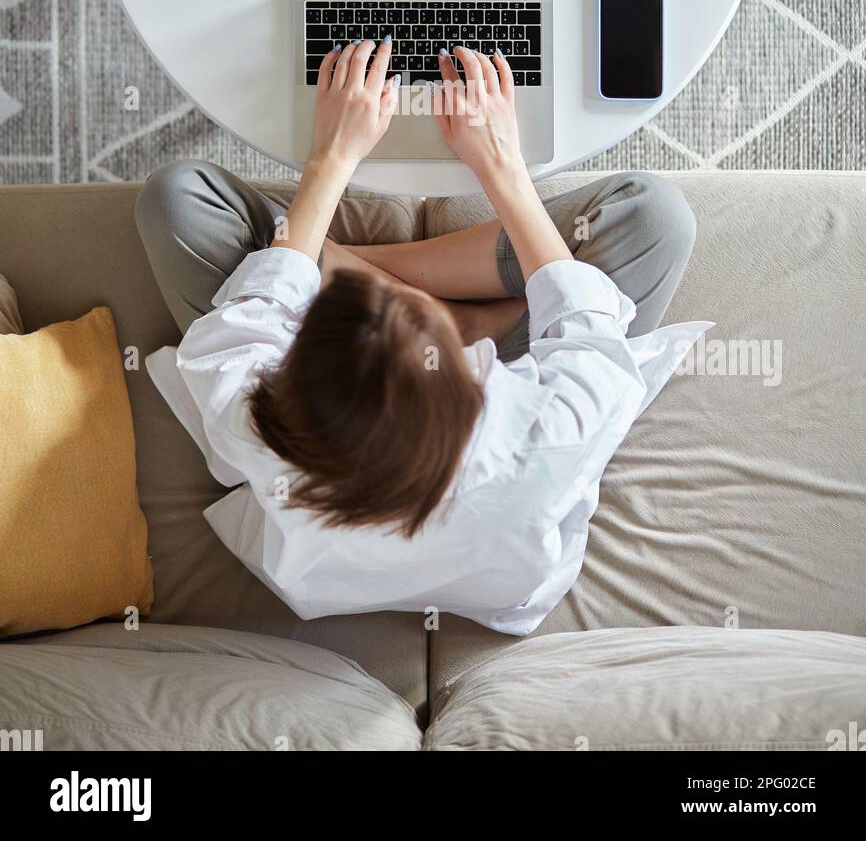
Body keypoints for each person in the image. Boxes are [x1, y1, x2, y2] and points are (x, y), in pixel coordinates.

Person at [139, 40, 710, 635]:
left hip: (317, 555)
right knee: (653, 219)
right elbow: (582, 308)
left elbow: (258, 304)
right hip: (514, 398)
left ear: (296, 370)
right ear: (477, 378)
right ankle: (459, 311)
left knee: (178, 203)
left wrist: (332, 159)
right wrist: (501, 165)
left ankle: (360, 269)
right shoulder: (551, 431)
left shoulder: (255, 415)